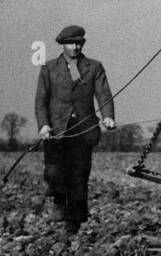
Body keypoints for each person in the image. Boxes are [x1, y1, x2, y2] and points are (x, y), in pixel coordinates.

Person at [34, 25, 115, 234]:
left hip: (84, 128)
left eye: (79, 43)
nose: (75, 47)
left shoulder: (94, 67)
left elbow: (103, 94)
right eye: (71, 43)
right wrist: (43, 124)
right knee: (53, 172)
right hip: (56, 129)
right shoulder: (49, 68)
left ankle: (74, 223)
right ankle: (58, 198)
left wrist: (108, 117)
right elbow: (41, 100)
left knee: (79, 176)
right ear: (62, 45)